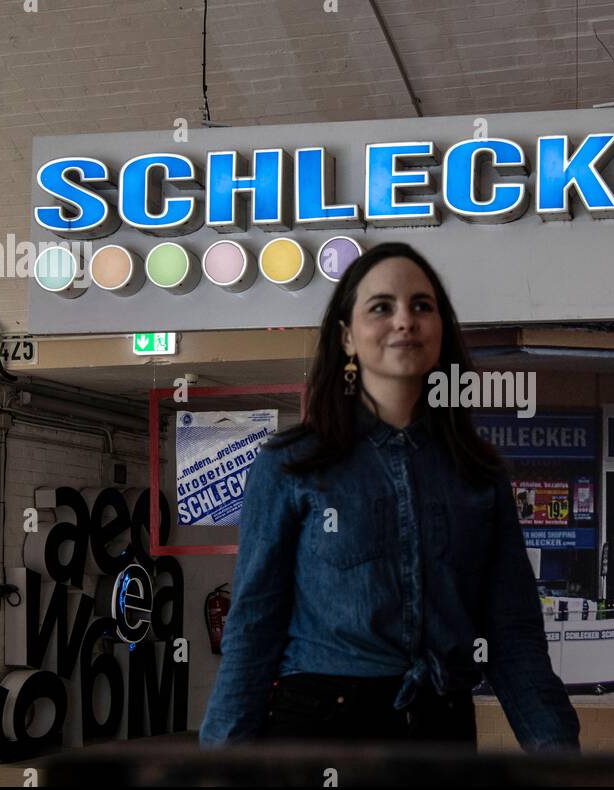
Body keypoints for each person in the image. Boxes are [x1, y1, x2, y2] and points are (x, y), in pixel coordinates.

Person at [198, 242, 581, 753]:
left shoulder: (478, 473)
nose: (405, 320)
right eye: (381, 307)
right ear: (347, 337)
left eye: (422, 306)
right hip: (319, 736)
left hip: (441, 734)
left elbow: (514, 638)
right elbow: (253, 626)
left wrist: (561, 760)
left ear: (441, 330)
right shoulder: (291, 464)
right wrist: (219, 765)